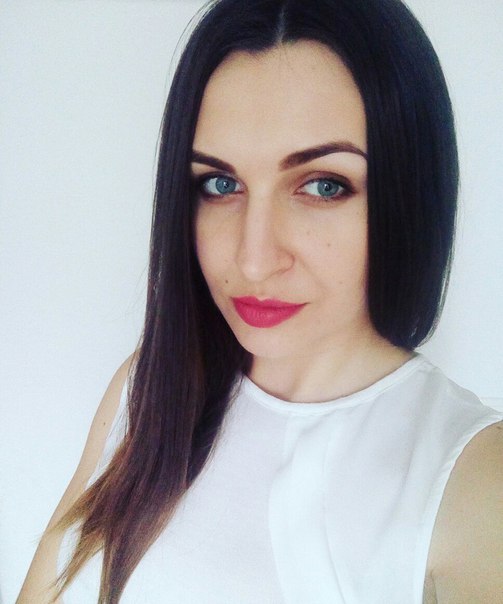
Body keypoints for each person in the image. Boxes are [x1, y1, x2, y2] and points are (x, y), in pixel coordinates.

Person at [18, 0, 503, 602]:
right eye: (220, 184)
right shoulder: (148, 389)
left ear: (409, 194)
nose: (252, 260)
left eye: (322, 185)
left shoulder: (474, 479)